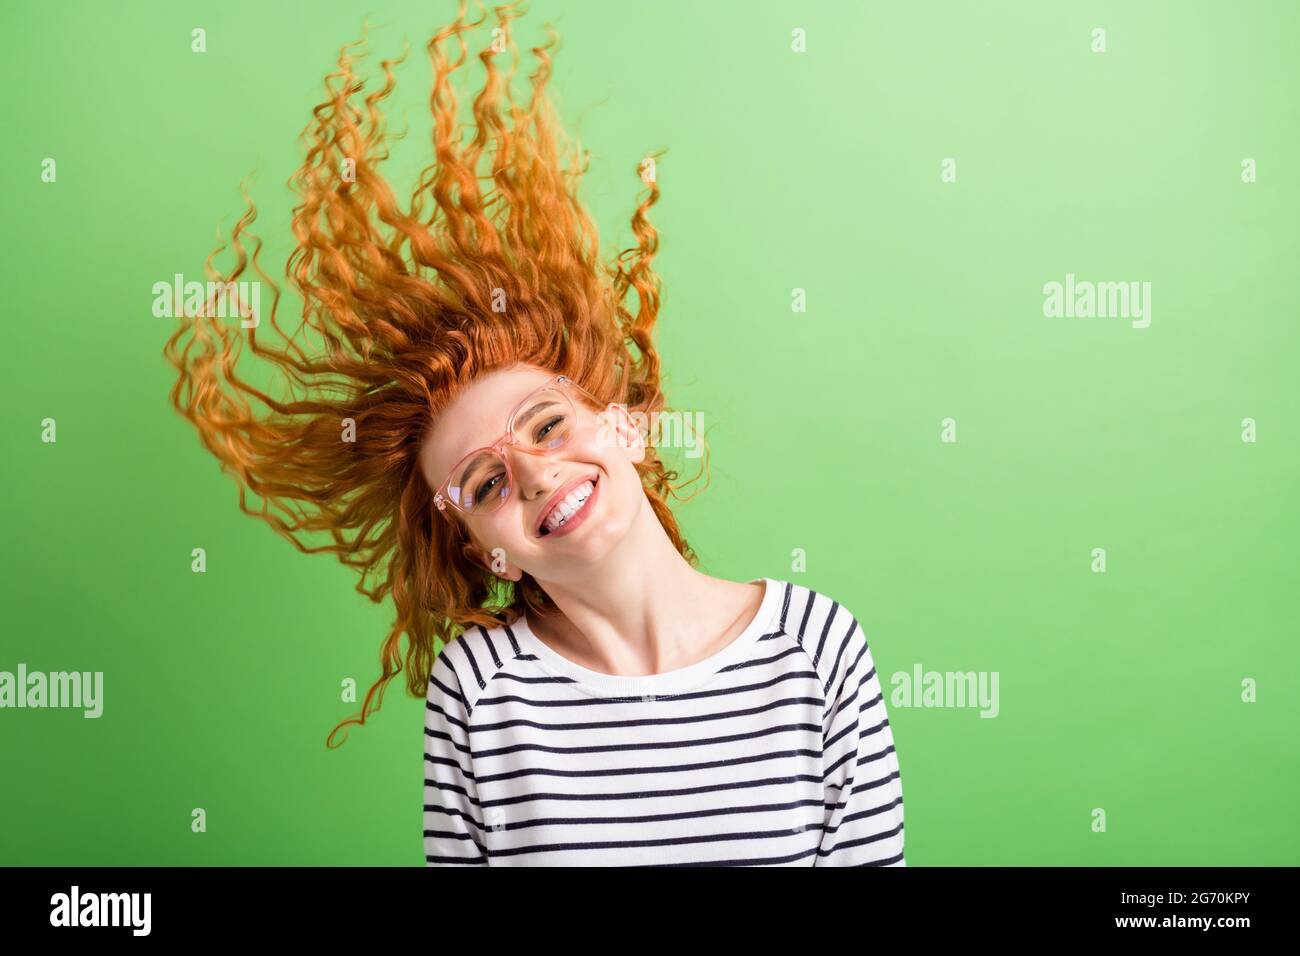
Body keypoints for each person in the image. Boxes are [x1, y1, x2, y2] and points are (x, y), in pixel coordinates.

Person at [164, 0, 905, 867]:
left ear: (626, 426)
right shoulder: (480, 692)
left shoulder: (816, 650)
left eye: (547, 425)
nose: (533, 473)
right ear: (488, 554)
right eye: (483, 484)